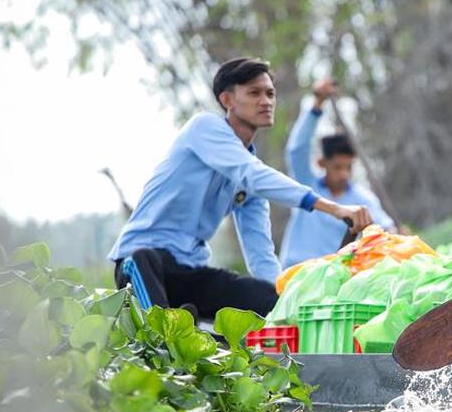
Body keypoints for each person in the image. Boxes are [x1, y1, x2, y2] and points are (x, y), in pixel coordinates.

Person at [108, 57, 372, 317]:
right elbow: (251, 174)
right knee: (147, 268)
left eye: (270, 94)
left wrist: (281, 300)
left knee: (267, 298)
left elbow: (260, 254)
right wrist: (334, 208)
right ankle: (159, 335)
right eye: (254, 93)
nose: (266, 101)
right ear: (227, 100)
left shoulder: (249, 180)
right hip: (142, 263)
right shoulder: (204, 129)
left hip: (189, 273)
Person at [279, 79, 396, 267]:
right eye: (337, 167)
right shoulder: (306, 186)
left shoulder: (361, 198)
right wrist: (317, 104)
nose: (343, 174)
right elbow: (297, 150)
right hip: (296, 272)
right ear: (322, 163)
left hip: (333, 278)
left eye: (348, 167)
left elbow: (385, 227)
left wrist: (397, 237)